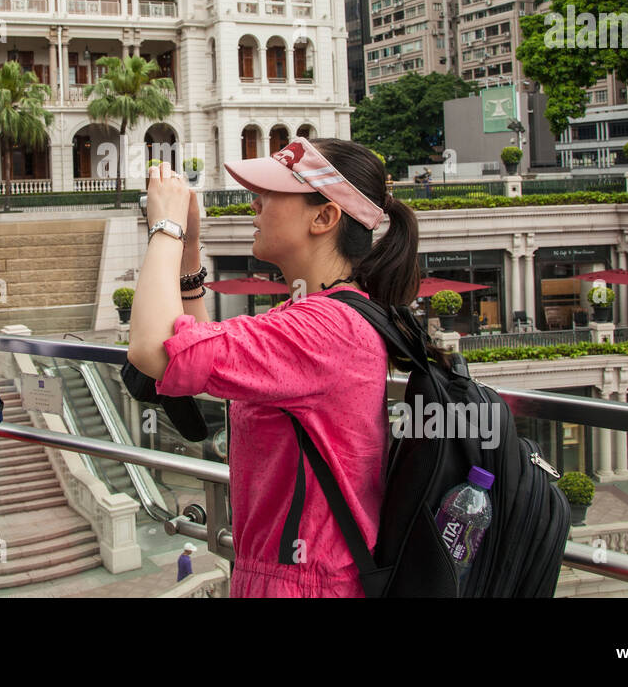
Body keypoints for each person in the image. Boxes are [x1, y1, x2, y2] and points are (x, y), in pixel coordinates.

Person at [128, 136, 420, 597]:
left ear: (324, 217)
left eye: (269, 195)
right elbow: (198, 360)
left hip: (304, 581)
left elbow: (154, 350)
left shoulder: (324, 331)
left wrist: (164, 226)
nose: (254, 206)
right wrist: (189, 255)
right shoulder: (314, 315)